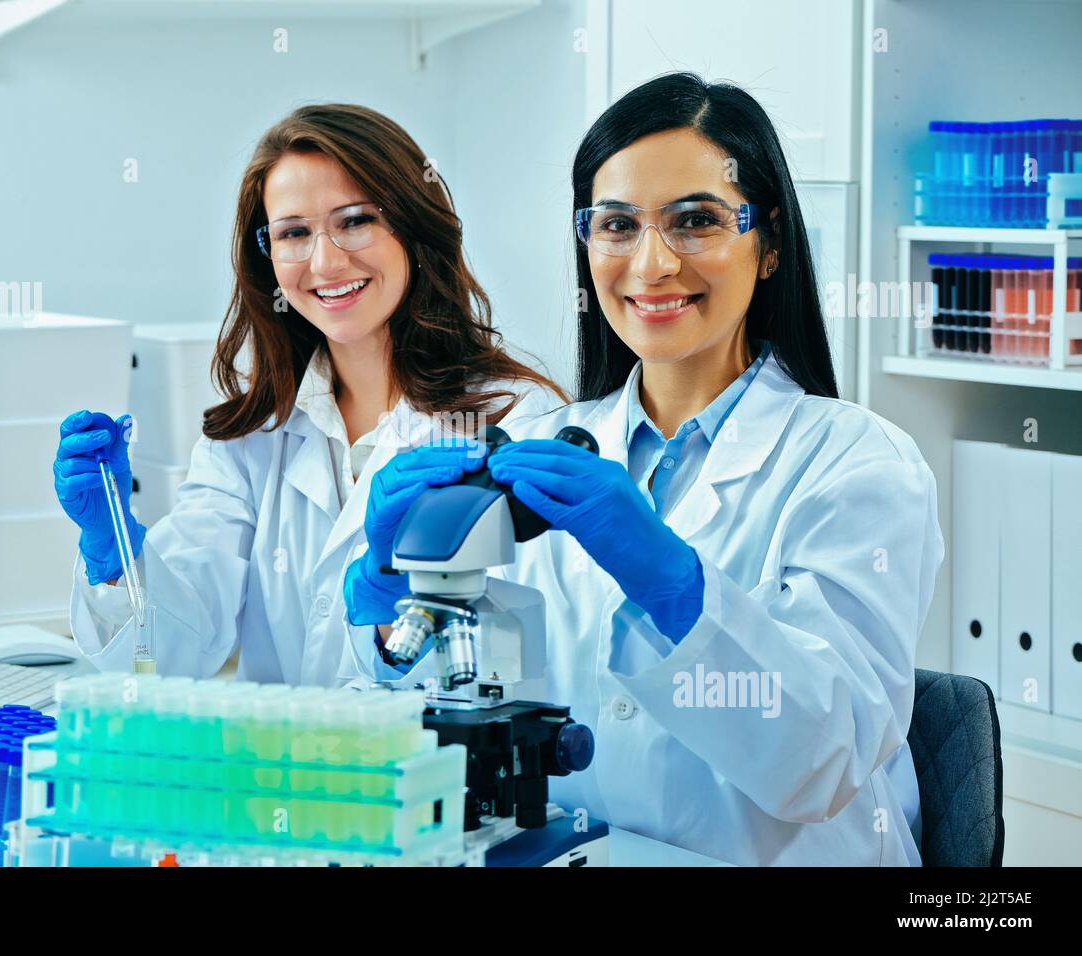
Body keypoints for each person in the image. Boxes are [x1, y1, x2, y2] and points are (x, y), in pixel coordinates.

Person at [342, 73, 944, 866]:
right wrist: (393, 599)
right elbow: (440, 710)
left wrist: (677, 589)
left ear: (768, 248)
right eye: (617, 225)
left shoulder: (858, 467)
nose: (652, 264)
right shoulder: (534, 444)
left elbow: (824, 758)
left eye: (696, 220)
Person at [53, 103, 565, 683]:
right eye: (294, 233)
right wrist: (113, 551)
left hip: (439, 772)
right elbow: (168, 655)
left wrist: (388, 622)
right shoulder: (252, 438)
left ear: (414, 226)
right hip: (283, 772)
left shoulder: (516, 421)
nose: (325, 261)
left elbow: (529, 665)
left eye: (355, 221)